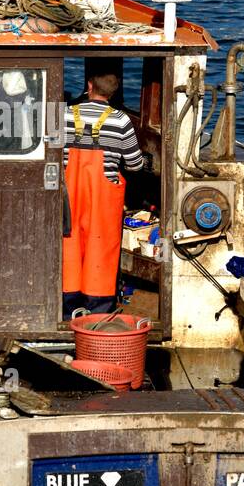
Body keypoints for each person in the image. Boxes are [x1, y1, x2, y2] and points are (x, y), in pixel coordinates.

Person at [62, 71, 144, 318]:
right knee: (101, 248)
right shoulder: (121, 121)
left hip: (68, 195)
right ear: (114, 93)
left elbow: (49, 150)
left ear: (89, 85)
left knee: (69, 247)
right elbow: (134, 164)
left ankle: (67, 308)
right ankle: (96, 311)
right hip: (103, 199)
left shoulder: (65, 114)